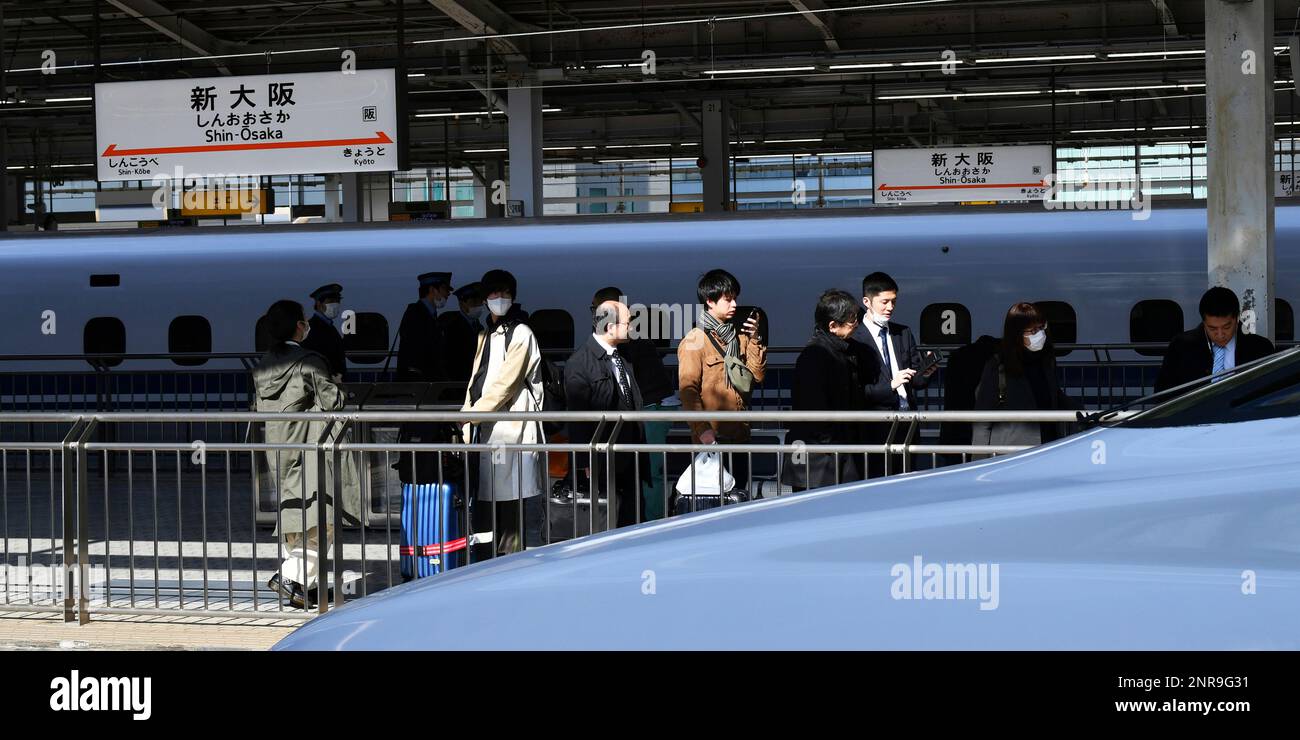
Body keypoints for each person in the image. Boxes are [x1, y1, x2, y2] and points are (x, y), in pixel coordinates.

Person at [253, 299, 361, 609]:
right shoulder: (310, 361)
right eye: (304, 321)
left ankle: (304, 587)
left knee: (293, 517)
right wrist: (340, 387)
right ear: (300, 326)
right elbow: (332, 400)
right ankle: (289, 577)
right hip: (307, 448)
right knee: (320, 518)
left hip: (277, 448)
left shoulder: (262, 365)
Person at [461, 269, 546, 555]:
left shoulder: (521, 333)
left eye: (505, 293)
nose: (499, 299)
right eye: (494, 294)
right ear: (485, 299)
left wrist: (468, 417)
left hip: (513, 429)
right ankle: (488, 563)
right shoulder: (485, 334)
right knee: (488, 504)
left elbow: (504, 386)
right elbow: (475, 382)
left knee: (514, 505)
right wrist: (464, 422)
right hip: (487, 430)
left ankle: (512, 565)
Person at [677, 269, 766, 492]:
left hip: (740, 435)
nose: (734, 304)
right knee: (714, 501)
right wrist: (702, 430)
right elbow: (688, 391)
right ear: (710, 301)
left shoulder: (740, 336)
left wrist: (755, 340)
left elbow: (756, 376)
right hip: (711, 440)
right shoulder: (694, 340)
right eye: (728, 299)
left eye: (735, 298)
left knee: (739, 497)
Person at [591, 286, 676, 521]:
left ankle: (652, 521)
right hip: (649, 407)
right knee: (645, 471)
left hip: (651, 408)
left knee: (650, 471)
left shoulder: (628, 341)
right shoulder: (631, 338)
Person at [564, 300, 648, 528]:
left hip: (629, 454)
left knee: (632, 519)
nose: (632, 328)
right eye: (628, 323)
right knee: (606, 522)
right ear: (610, 327)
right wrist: (584, 461)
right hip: (601, 461)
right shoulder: (580, 363)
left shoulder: (622, 357)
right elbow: (578, 417)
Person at [781, 290, 867, 492]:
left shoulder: (837, 350)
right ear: (833, 326)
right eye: (851, 319)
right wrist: (831, 442)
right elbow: (813, 405)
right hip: (820, 458)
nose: (856, 323)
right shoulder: (816, 356)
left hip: (829, 454)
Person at [852, 271, 936, 477]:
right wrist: (891, 385)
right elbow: (857, 389)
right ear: (867, 301)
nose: (890, 307)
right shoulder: (855, 337)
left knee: (906, 478)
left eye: (894, 301)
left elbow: (915, 379)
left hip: (906, 422)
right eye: (884, 302)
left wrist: (926, 372)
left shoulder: (903, 332)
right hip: (875, 425)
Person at [971, 302, 1074, 449]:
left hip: (1048, 447)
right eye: (1032, 331)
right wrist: (980, 463)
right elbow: (982, 421)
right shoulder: (998, 366)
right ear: (1016, 335)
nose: (1039, 335)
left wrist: (1087, 413)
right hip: (1011, 454)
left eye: (1041, 328)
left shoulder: (1046, 360)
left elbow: (1055, 396)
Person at [1154, 286, 1276, 392]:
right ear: (1204, 322)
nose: (1220, 334)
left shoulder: (1260, 348)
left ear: (1237, 318)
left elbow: (1270, 391)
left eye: (1227, 327)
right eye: (1212, 328)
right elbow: (1163, 393)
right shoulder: (1181, 347)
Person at [395, 271, 453, 382]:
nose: (447, 294)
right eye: (445, 289)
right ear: (432, 290)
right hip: (418, 383)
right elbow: (416, 351)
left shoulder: (427, 314)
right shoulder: (416, 314)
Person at [439, 282, 485, 383]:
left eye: (480, 302)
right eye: (473, 302)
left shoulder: (479, 327)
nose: (478, 305)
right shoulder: (452, 327)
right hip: (457, 381)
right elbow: (449, 359)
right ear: (462, 303)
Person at [301, 283, 346, 381]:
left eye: (337, 301)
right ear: (319, 304)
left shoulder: (329, 326)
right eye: (330, 301)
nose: (335, 304)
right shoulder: (311, 328)